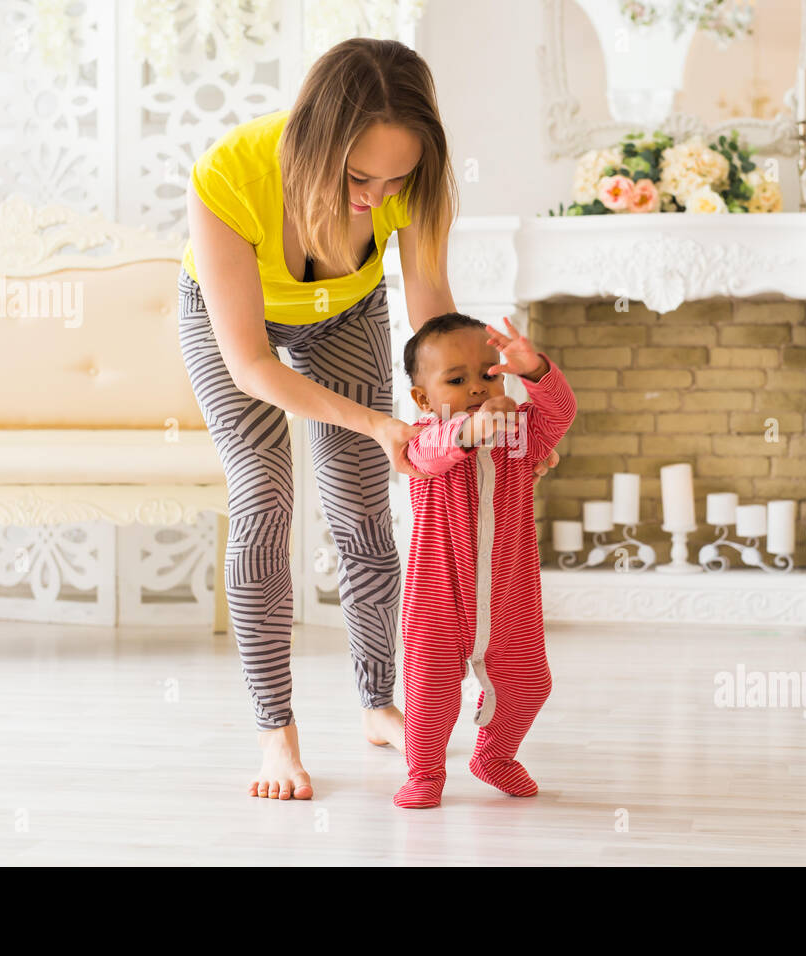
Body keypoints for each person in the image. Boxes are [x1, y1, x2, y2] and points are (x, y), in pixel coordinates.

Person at [177, 38, 560, 801]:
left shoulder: (413, 185)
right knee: (263, 501)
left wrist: (495, 413)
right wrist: (379, 424)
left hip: (345, 316)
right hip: (237, 328)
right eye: (359, 178)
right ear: (315, 142)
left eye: (397, 180)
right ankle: (274, 731)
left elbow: (430, 321)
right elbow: (254, 364)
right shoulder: (229, 174)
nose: (378, 196)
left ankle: (377, 702)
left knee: (362, 512)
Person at [396, 314, 577, 808]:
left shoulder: (520, 432)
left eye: (488, 373)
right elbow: (435, 453)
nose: (476, 387)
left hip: (510, 592)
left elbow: (560, 413)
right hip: (438, 594)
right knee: (430, 689)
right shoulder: (422, 439)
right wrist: (470, 429)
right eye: (456, 380)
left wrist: (535, 369)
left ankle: (494, 755)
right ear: (423, 398)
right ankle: (426, 772)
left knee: (530, 681)